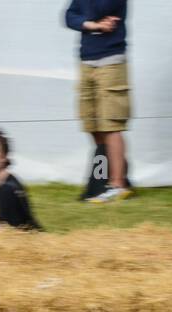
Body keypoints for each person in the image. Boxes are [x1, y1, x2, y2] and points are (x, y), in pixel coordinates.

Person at [65, 0, 131, 204]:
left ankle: (117, 185)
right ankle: (106, 177)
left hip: (110, 61)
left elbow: (99, 9)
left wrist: (84, 21)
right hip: (86, 61)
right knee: (93, 126)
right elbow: (68, 17)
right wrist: (93, 25)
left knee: (111, 124)